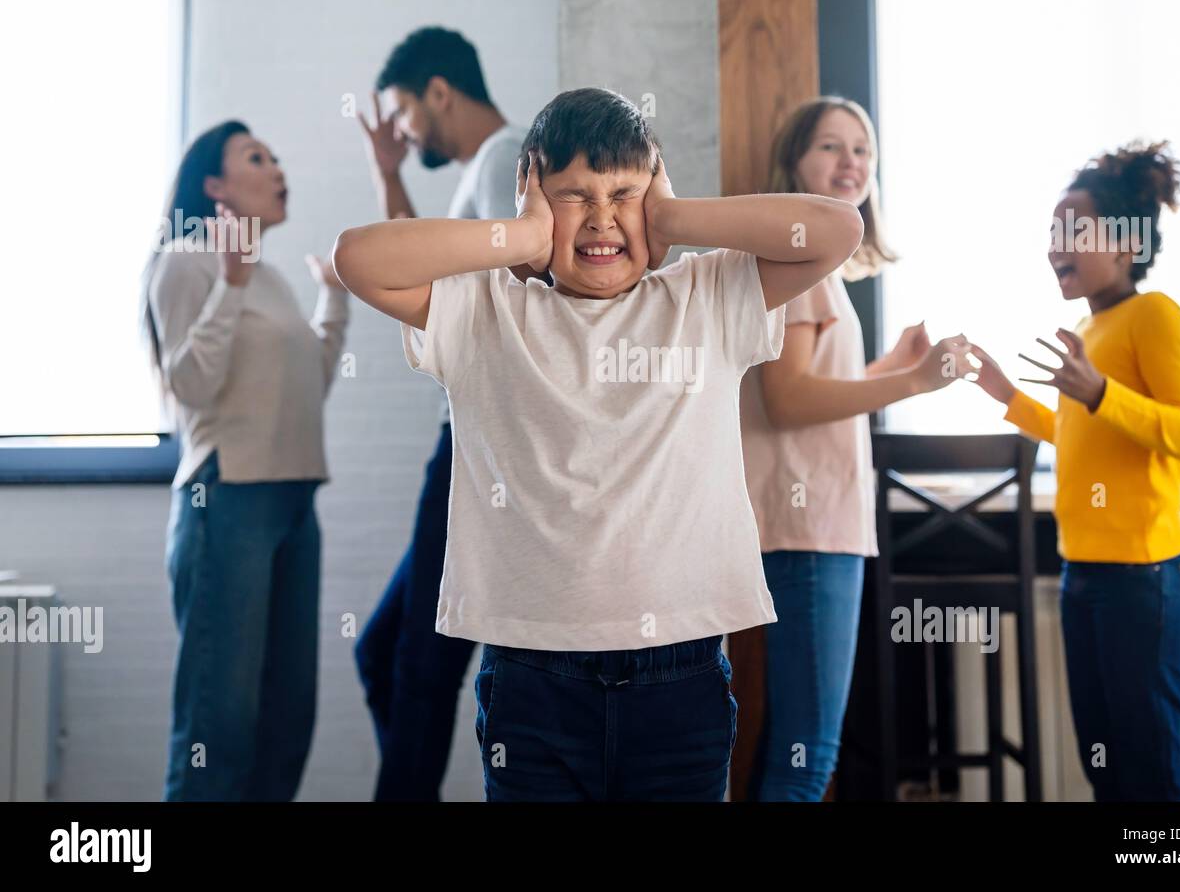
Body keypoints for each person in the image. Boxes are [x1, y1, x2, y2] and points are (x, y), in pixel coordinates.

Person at [335, 87, 969, 801]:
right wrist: (517, 236)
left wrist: (672, 216)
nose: (603, 217)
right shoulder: (484, 309)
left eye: (624, 194)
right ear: (533, 194)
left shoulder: (704, 296)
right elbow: (359, 257)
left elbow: (838, 230)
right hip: (531, 681)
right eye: (574, 195)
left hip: (682, 678)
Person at [968, 141, 1180, 801]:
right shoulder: (1088, 328)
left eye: (1073, 228)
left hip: (1151, 574)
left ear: (1126, 244)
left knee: (1151, 765)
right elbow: (1079, 436)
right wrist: (1007, 395)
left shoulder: (1154, 316)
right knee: (1103, 762)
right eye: (1052, 230)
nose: (1056, 244)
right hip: (1086, 572)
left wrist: (1101, 391)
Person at [740, 95, 963, 801]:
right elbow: (789, 400)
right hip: (808, 531)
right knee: (811, 754)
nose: (850, 162)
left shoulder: (815, 260)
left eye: (861, 149)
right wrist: (912, 382)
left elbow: (811, 391)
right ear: (795, 163)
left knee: (798, 746)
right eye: (831, 147)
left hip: (811, 525)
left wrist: (892, 368)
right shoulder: (800, 251)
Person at [144, 120, 350, 800]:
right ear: (215, 186)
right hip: (226, 499)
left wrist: (334, 300)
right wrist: (229, 283)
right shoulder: (186, 260)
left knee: (289, 721)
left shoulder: (273, 277)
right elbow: (190, 383)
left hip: (295, 503)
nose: (277, 167)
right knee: (219, 730)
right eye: (257, 158)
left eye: (276, 156)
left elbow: (306, 392)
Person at [352, 26, 527, 802]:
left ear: (440, 93)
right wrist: (387, 173)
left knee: (421, 668)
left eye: (405, 113)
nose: (405, 129)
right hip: (463, 442)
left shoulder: (507, 155)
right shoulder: (479, 171)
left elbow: (515, 284)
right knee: (387, 650)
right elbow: (416, 260)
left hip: (476, 445)